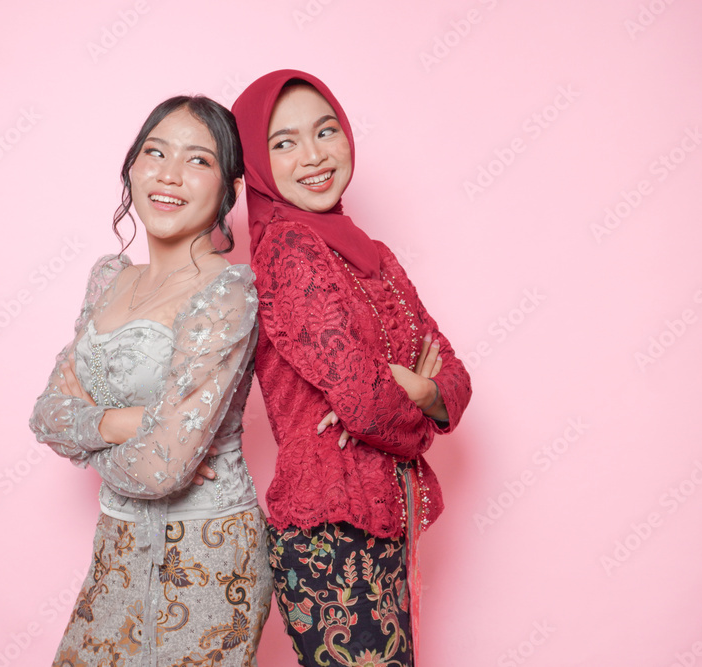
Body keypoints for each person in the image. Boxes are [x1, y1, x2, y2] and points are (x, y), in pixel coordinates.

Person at [231, 70, 472, 666]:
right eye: (283, 142)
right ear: (258, 163)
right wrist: (416, 417)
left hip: (387, 520)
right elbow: (366, 401)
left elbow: (456, 375)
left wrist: (421, 389)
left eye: (325, 131)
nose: (313, 156)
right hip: (328, 538)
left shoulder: (371, 252)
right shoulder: (288, 251)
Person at [29, 95, 272, 666]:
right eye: (154, 152)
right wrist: (134, 423)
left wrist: (92, 438)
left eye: (197, 160)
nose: (168, 175)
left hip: (207, 557)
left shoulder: (227, 292)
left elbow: (161, 470)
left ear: (227, 186)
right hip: (116, 546)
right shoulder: (109, 279)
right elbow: (44, 414)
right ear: (132, 166)